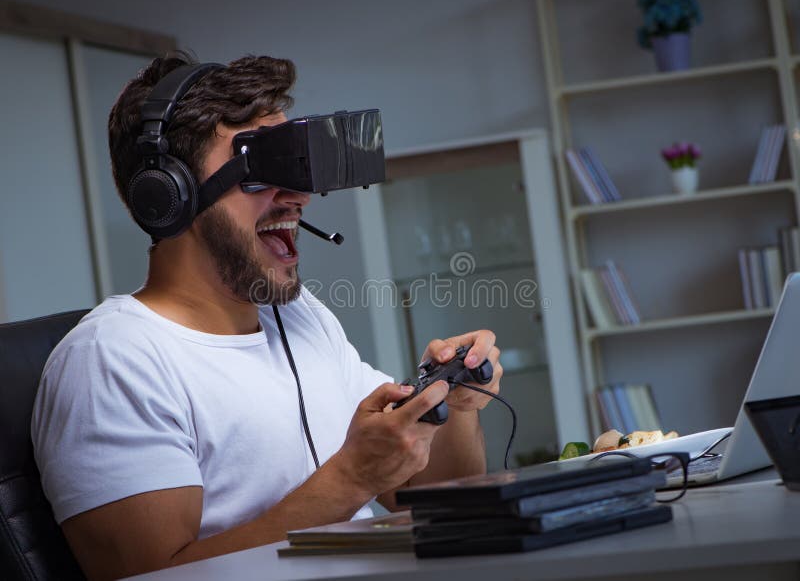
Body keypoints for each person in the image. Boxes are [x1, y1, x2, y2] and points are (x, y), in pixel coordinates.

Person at [31, 53, 503, 581]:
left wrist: (458, 407)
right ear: (168, 195)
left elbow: (422, 498)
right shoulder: (112, 360)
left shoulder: (302, 318)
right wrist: (349, 480)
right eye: (261, 173)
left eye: (294, 168)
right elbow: (149, 576)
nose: (299, 197)